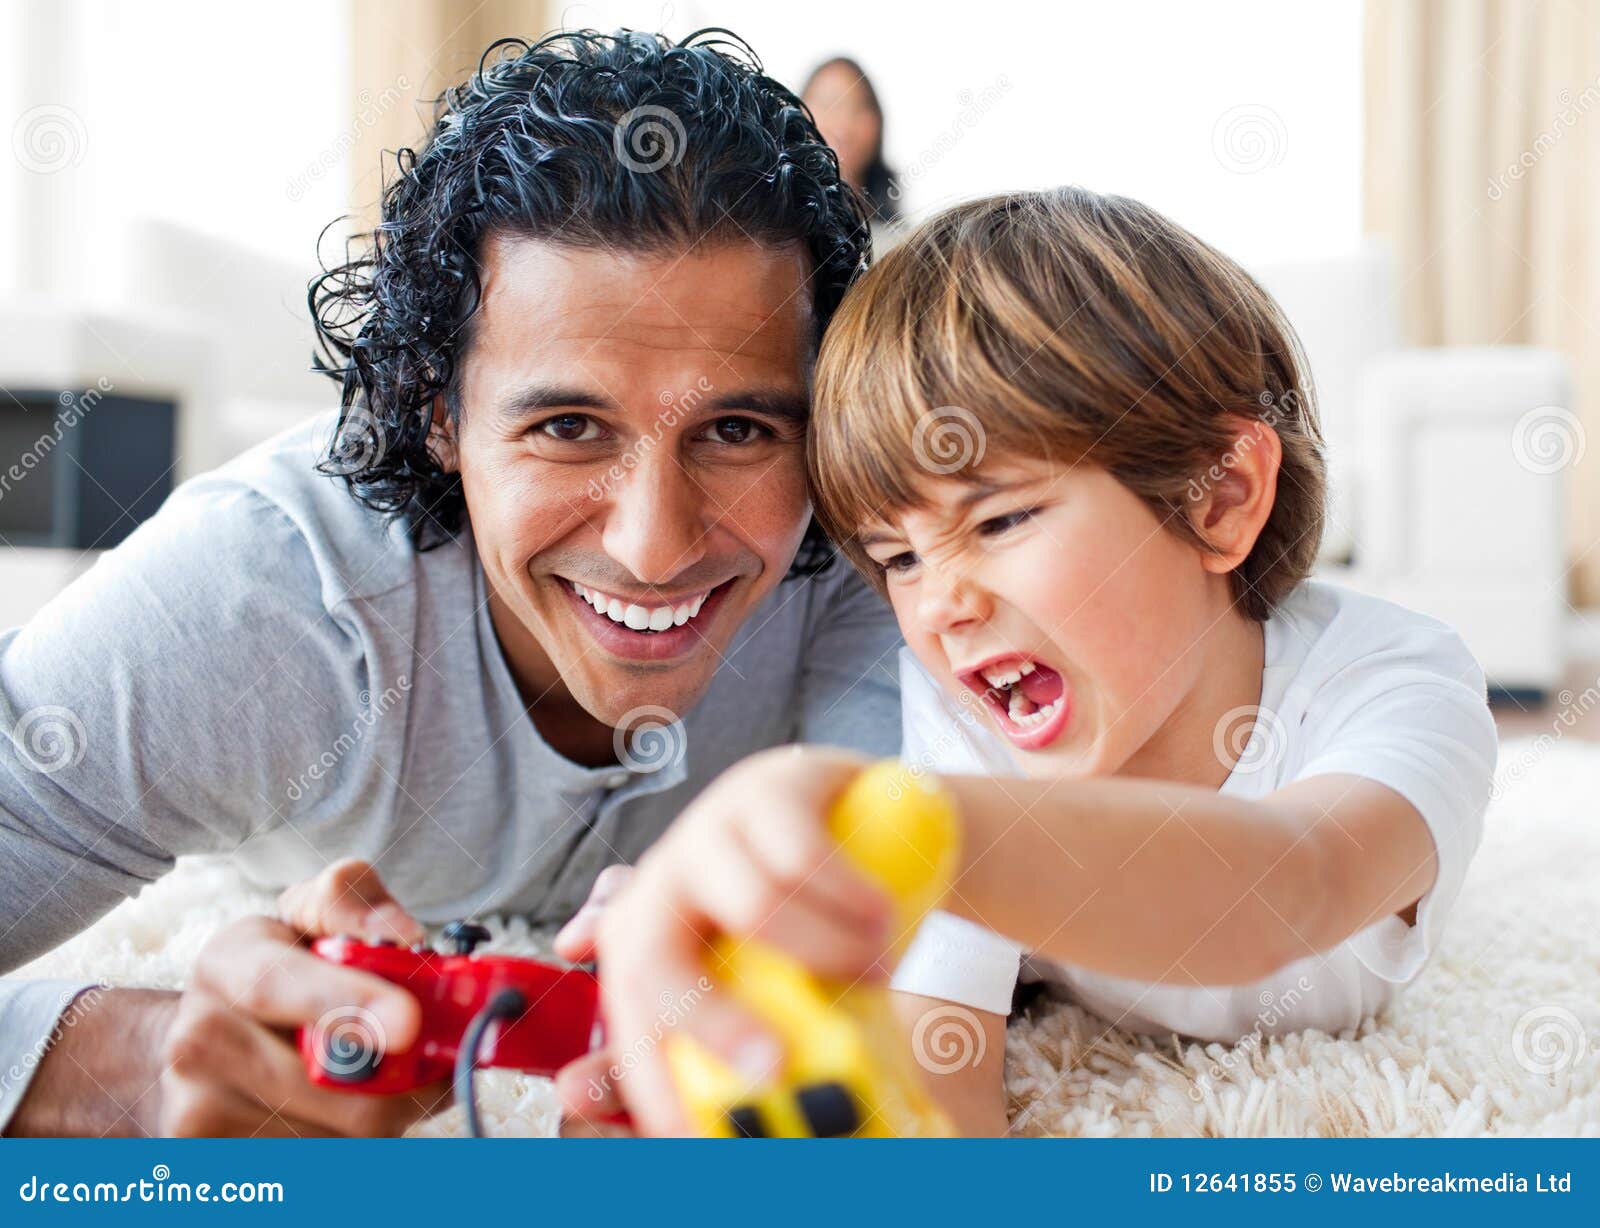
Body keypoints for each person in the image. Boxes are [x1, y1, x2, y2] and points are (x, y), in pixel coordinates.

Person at [0, 29, 901, 1137]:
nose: (656, 546)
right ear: (437, 413)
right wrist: (127, 1058)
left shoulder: (879, 554)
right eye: (568, 426)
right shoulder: (267, 598)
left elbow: (974, 917)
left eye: (736, 428)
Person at [586, 188, 1498, 1136]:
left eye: (1000, 519)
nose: (940, 605)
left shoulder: (1396, 680)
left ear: (1219, 498)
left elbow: (1285, 889)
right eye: (899, 560)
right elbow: (945, 1069)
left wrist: (903, 832)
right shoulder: (974, 711)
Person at [801, 57, 899, 229]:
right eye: (828, 104)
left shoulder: (898, 235)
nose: (843, 124)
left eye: (858, 107)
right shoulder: (777, 225)